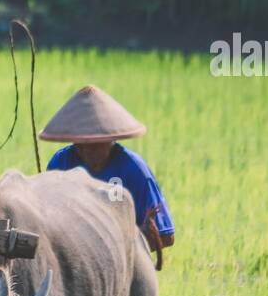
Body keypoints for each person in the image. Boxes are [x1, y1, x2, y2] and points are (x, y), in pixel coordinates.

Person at [41, 85, 175, 249]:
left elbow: (165, 235)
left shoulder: (134, 169)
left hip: (123, 258)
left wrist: (124, 244)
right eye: (81, 143)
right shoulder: (60, 164)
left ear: (111, 138)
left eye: (96, 143)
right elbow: (46, 222)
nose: (87, 149)